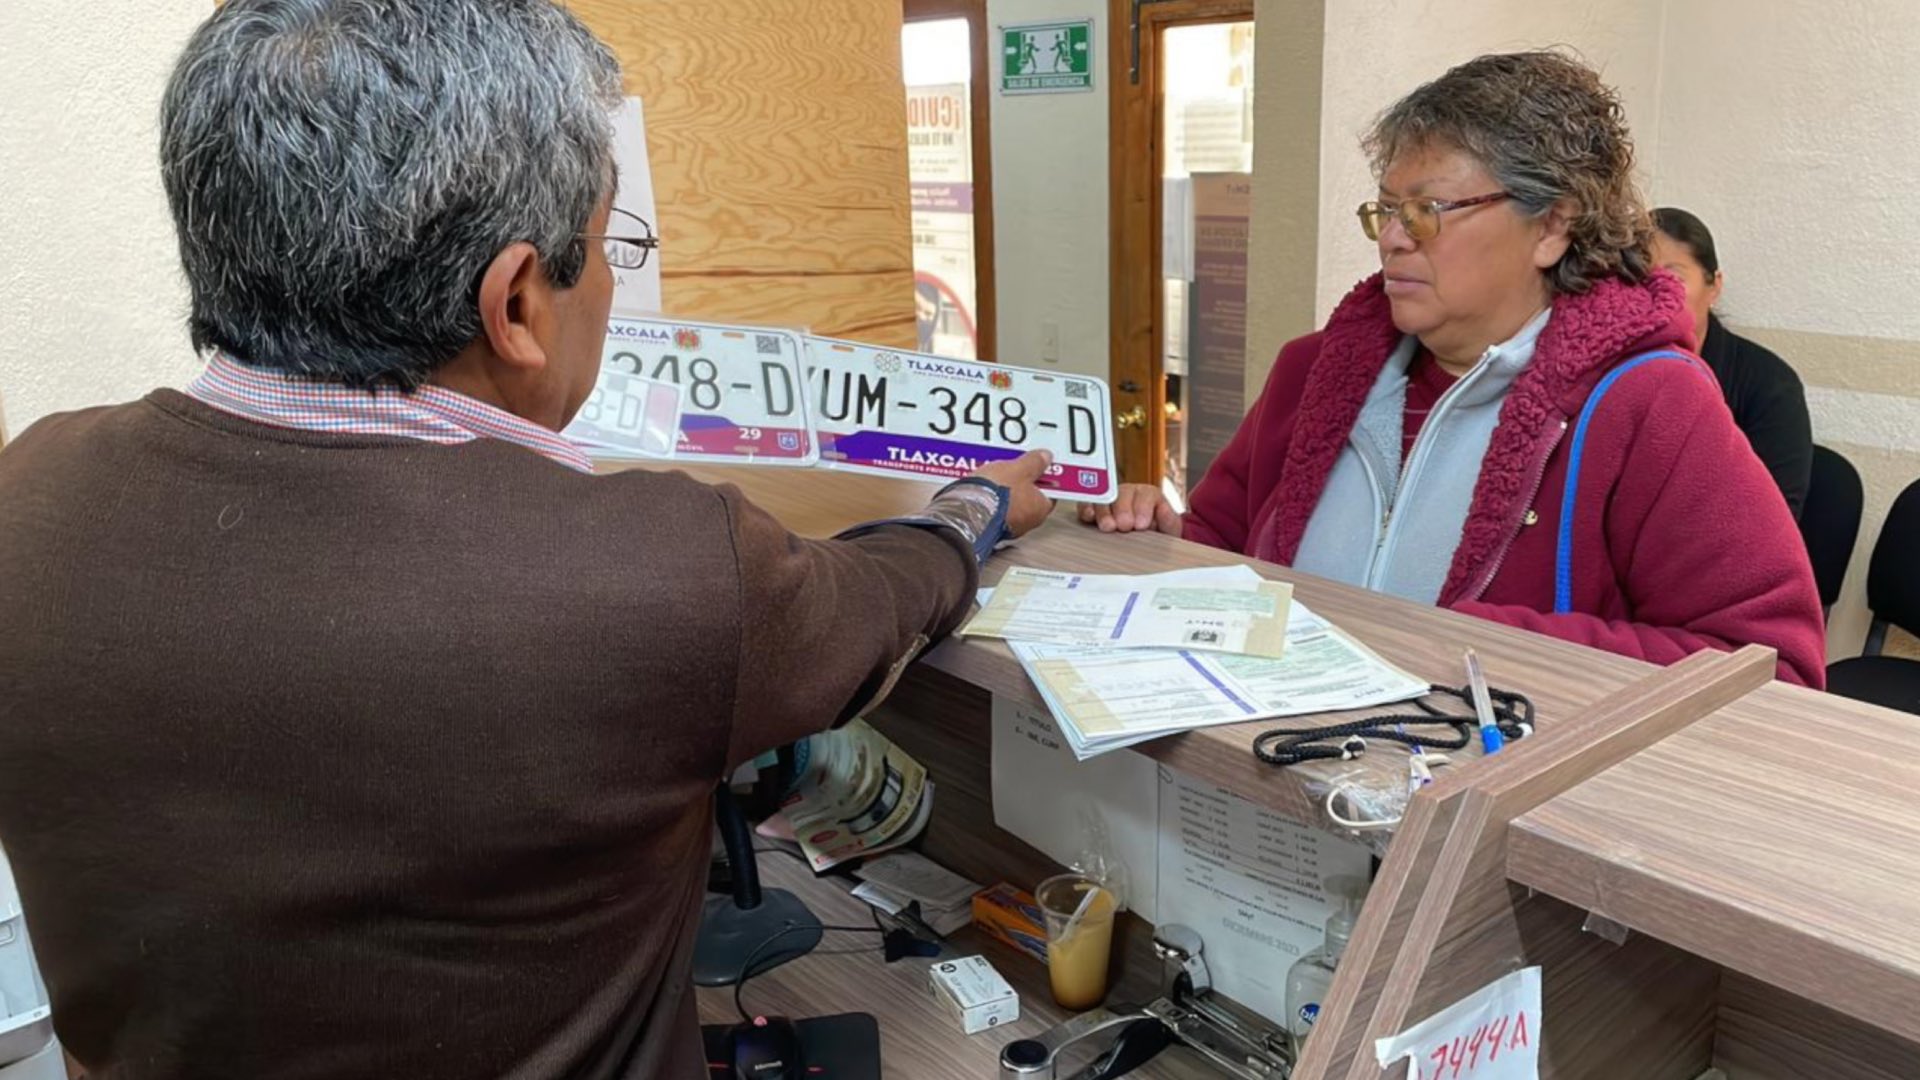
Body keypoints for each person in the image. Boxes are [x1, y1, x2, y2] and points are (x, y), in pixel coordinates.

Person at [0, 2, 1054, 1077]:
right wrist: (973, 510)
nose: (608, 285)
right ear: (513, 302)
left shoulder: (25, 491)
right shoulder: (656, 571)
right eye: (609, 249)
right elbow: (890, 596)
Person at [1082, 51, 1824, 687]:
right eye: (1386, 211)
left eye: (1430, 210)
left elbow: (1771, 666)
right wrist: (1161, 534)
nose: (1394, 241)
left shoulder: (1647, 403)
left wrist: (1478, 650)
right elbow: (1226, 545)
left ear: (1552, 227)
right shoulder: (1312, 372)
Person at [1651, 207, 1813, 519]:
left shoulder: (1770, 385)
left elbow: (1770, 519)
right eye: (1638, 280)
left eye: (1673, 277)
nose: (1657, 293)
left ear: (1714, 286)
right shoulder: (1614, 373)